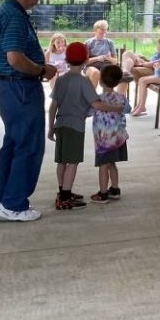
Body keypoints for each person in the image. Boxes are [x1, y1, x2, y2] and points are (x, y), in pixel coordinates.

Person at [0, 0, 57, 222]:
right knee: (28, 145)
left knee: (13, 144)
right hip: (20, 88)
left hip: (11, 89)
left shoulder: (7, 12)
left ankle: (2, 199)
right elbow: (15, 58)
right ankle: (14, 204)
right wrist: (42, 69)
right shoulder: (15, 16)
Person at [47, 43, 125, 210]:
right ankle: (65, 198)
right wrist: (115, 108)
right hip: (75, 127)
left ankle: (62, 191)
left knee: (61, 161)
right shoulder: (84, 82)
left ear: (67, 60)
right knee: (73, 162)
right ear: (85, 61)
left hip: (60, 124)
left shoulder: (60, 80)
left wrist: (50, 126)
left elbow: (53, 105)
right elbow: (96, 105)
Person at [90, 64, 132, 204]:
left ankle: (103, 194)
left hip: (104, 140)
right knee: (112, 164)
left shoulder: (97, 99)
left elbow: (88, 112)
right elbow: (127, 109)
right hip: (118, 138)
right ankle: (114, 189)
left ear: (100, 81)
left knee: (103, 166)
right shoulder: (121, 97)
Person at [121, 14, 160, 84]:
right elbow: (159, 58)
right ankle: (125, 73)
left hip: (157, 71)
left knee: (131, 69)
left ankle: (125, 75)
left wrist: (143, 64)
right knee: (128, 54)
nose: (159, 27)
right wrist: (144, 59)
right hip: (152, 64)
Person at [130, 36, 160, 116]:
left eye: (158, 44)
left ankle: (142, 106)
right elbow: (158, 63)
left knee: (143, 81)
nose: (157, 46)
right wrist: (146, 64)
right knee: (141, 80)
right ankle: (140, 105)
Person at [84, 20, 118, 89]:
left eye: (105, 29)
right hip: (91, 66)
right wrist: (97, 58)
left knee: (109, 73)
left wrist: (109, 58)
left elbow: (115, 61)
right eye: (102, 29)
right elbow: (85, 62)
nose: (104, 31)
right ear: (96, 30)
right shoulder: (88, 43)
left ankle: (107, 97)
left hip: (105, 65)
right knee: (95, 73)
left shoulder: (110, 42)